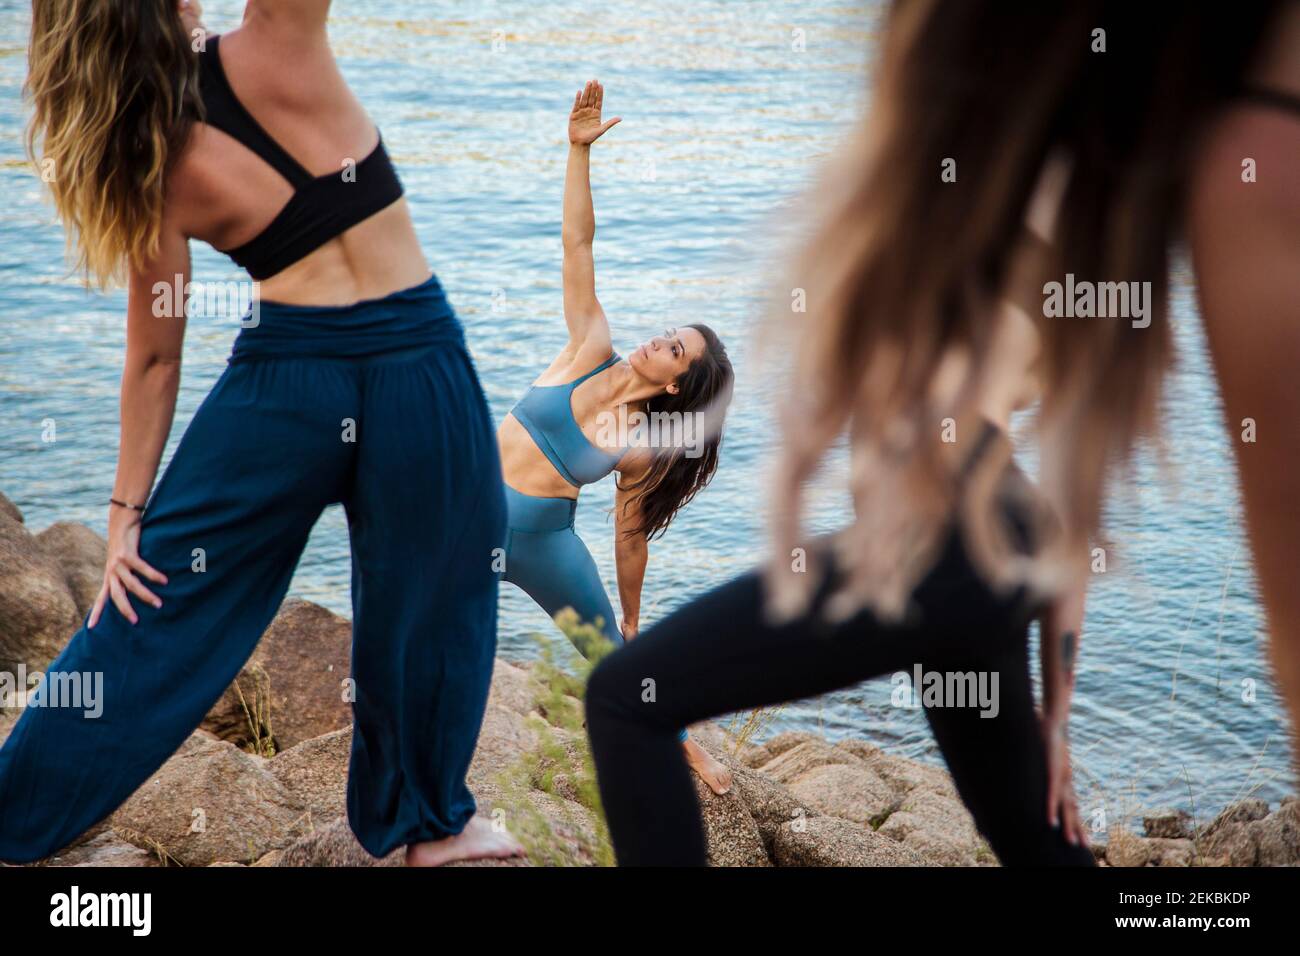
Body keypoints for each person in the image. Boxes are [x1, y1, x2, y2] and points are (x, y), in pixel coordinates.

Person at [585, 0, 1299, 865]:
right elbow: (1065, 522)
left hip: (944, 545)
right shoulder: (1035, 249)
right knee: (1033, 843)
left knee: (626, 697)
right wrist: (1057, 717)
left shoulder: (984, 229)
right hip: (994, 543)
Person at [0, 0, 522, 866]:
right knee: (439, 589)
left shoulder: (144, 150)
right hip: (415, 365)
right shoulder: (279, 37)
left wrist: (128, 516)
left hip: (287, 386)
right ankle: (429, 825)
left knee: (153, 604)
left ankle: (13, 815)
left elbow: (155, 357)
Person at [496, 81, 736, 794]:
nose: (659, 340)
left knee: (614, 657)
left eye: (675, 351)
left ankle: (683, 748)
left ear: (674, 387)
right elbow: (578, 242)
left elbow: (629, 536)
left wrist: (630, 616)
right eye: (669, 333)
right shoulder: (587, 346)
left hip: (544, 543)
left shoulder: (640, 446)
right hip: (467, 507)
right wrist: (578, 154)